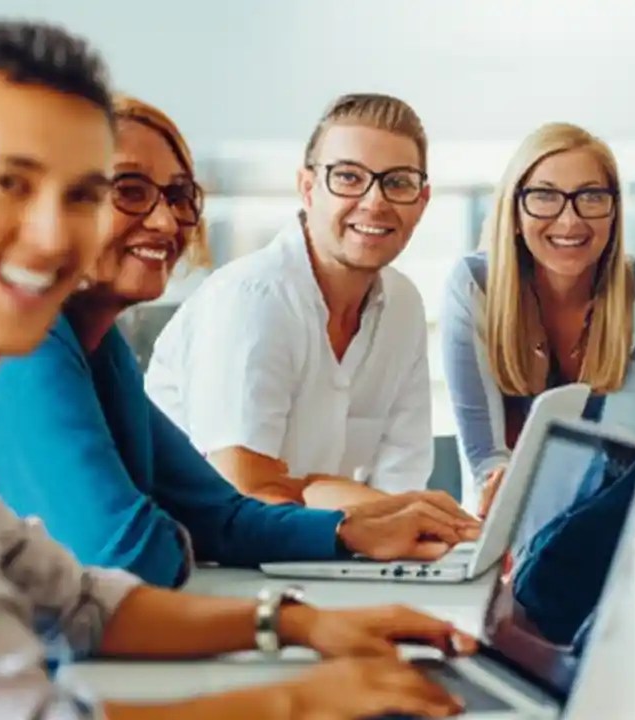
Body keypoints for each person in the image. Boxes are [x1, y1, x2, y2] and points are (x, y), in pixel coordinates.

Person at [0, 20, 471, 719]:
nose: (53, 233)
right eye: (10, 183)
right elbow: (130, 554)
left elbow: (93, 587)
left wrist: (301, 622)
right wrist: (293, 700)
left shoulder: (87, 348)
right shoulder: (36, 350)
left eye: (81, 194)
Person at [0, 93, 477, 588]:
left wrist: (350, 529)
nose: (164, 221)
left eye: (178, 197)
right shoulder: (23, 341)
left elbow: (223, 517)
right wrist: (190, 529)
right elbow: (130, 552)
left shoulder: (103, 349)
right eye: (128, 190)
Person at [146, 93, 439, 509]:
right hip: (201, 562)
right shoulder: (252, 300)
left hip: (320, 559)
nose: (375, 202)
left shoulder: (404, 305)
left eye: (398, 183)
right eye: (349, 177)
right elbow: (241, 494)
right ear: (307, 188)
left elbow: (401, 493)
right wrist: (329, 494)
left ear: (422, 202)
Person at [442, 122, 635, 514]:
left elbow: (620, 455)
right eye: (544, 196)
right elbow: (489, 466)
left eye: (590, 197)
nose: (569, 221)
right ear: (514, 213)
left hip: (592, 523)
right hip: (500, 525)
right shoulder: (473, 286)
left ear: (614, 212)